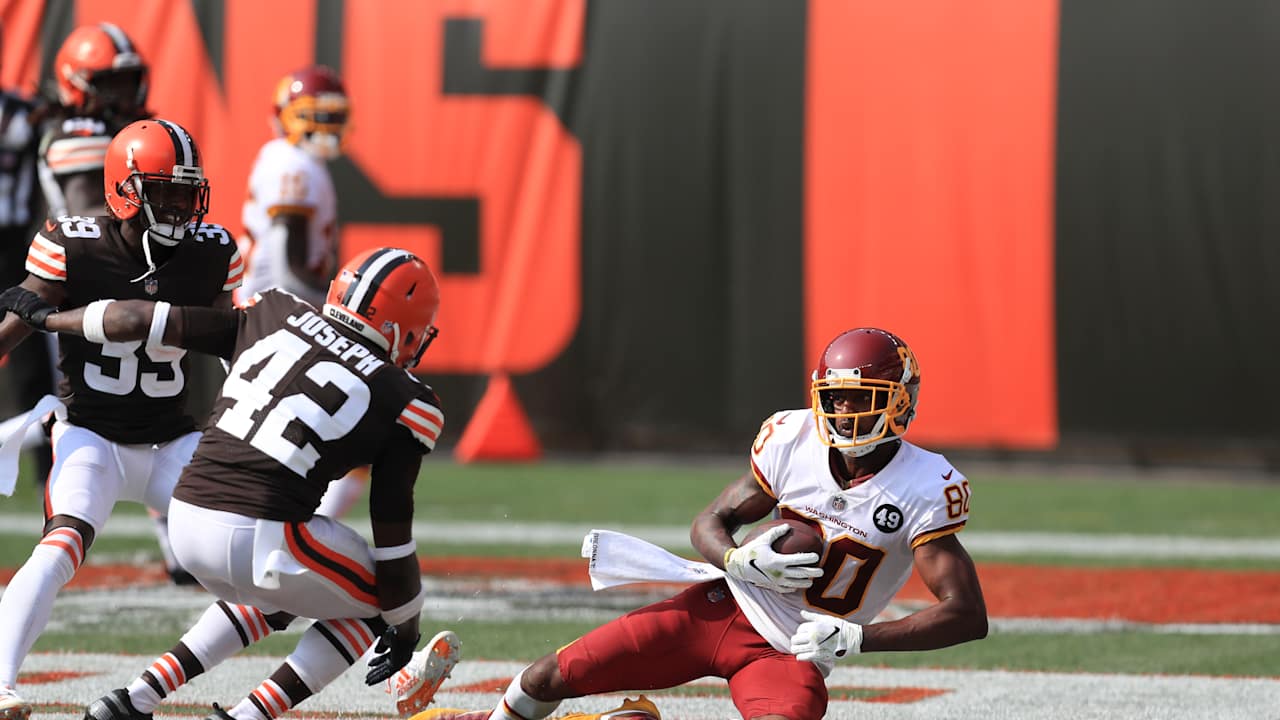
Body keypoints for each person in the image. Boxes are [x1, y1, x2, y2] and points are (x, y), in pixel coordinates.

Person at [414, 328, 989, 720]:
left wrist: (859, 637)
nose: (843, 412)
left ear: (899, 401)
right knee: (544, 678)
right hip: (720, 606)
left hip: (793, 650)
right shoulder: (793, 438)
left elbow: (966, 615)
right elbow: (711, 521)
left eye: (859, 398)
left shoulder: (924, 485)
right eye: (835, 398)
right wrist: (735, 558)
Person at [0, 246, 458, 720]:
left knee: (283, 591)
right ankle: (249, 717)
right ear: (396, 329)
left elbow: (139, 318)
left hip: (186, 516)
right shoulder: (407, 399)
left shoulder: (275, 311)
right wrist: (405, 625)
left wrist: (48, 320)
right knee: (377, 602)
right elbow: (393, 537)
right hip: (261, 536)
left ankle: (132, 701)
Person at [0, 117, 242, 720]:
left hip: (173, 440)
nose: (178, 206)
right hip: (91, 435)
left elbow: (234, 339)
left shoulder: (212, 253)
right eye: (163, 191)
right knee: (60, 548)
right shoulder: (74, 243)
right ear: (122, 189)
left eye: (187, 193)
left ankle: (251, 695)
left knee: (252, 554)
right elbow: (15, 322)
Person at [238, 65, 364, 519]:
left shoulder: (298, 162)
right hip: (274, 313)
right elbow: (287, 260)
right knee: (347, 431)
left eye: (332, 117)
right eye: (313, 115)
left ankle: (292, 531)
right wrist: (334, 314)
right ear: (285, 115)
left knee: (333, 436)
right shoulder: (292, 164)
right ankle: (294, 533)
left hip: (275, 311)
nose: (324, 128)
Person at [35, 22, 152, 217]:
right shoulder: (81, 134)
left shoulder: (118, 132)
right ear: (76, 81)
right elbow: (86, 215)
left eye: (130, 80)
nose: (126, 93)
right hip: (77, 246)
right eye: (113, 82)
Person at [0, 69, 54, 488]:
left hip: (11, 243)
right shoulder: (21, 115)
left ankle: (41, 466)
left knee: (29, 356)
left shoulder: (23, 110)